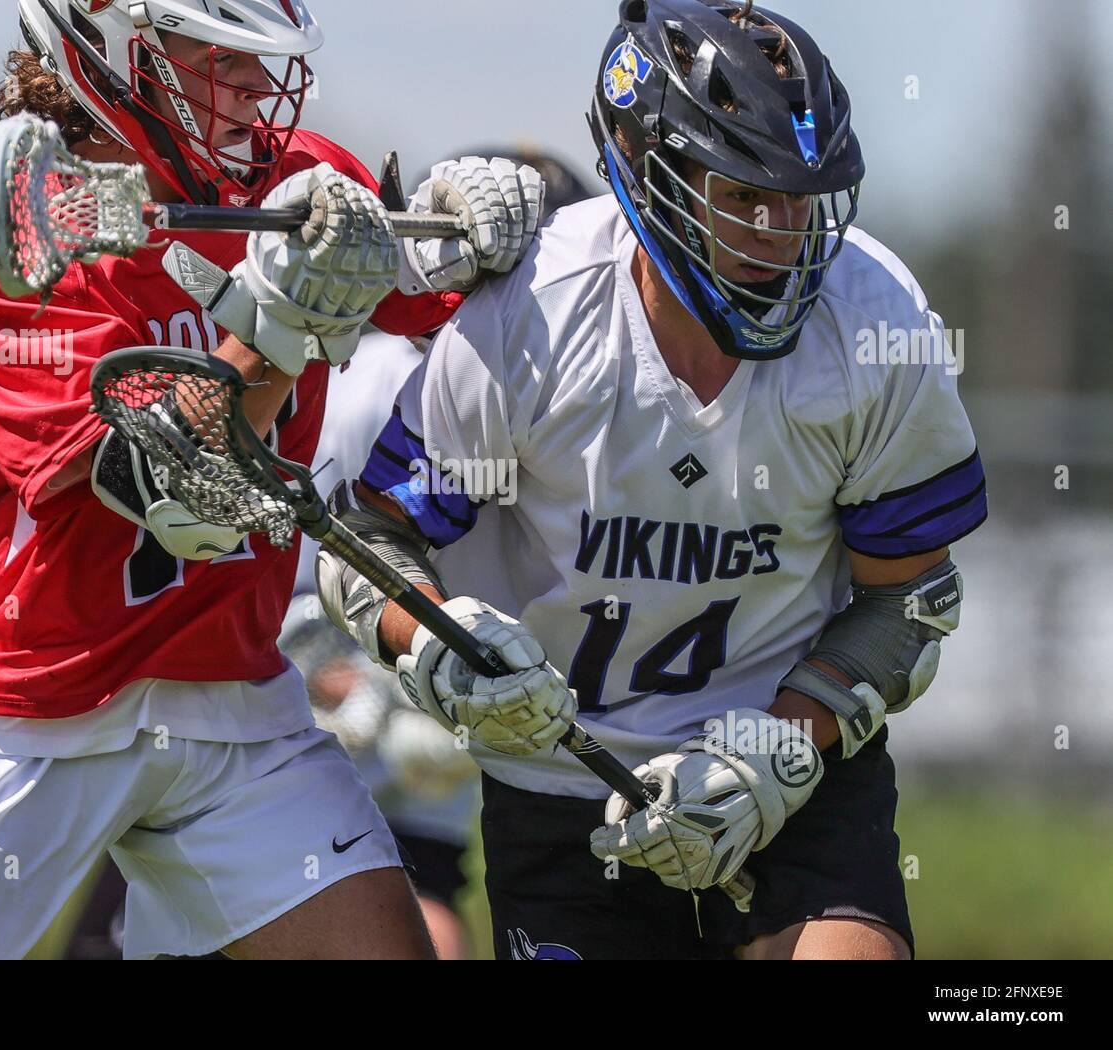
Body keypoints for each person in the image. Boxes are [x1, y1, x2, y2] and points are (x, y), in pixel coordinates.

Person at [0, 0, 542, 960]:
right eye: (220, 55)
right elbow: (177, 499)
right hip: (43, 710)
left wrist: (482, 228)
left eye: (261, 57)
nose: (258, 84)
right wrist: (278, 323)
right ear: (116, 47)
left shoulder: (298, 183)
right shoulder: (16, 263)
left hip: (235, 706)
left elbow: (442, 294)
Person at [315, 0, 986, 960]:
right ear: (651, 170)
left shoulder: (871, 326)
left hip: (786, 768)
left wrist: (781, 753)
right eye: (744, 195)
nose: (782, 231)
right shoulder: (534, 319)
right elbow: (373, 542)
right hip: (562, 781)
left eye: (799, 197)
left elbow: (910, 601)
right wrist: (443, 650)